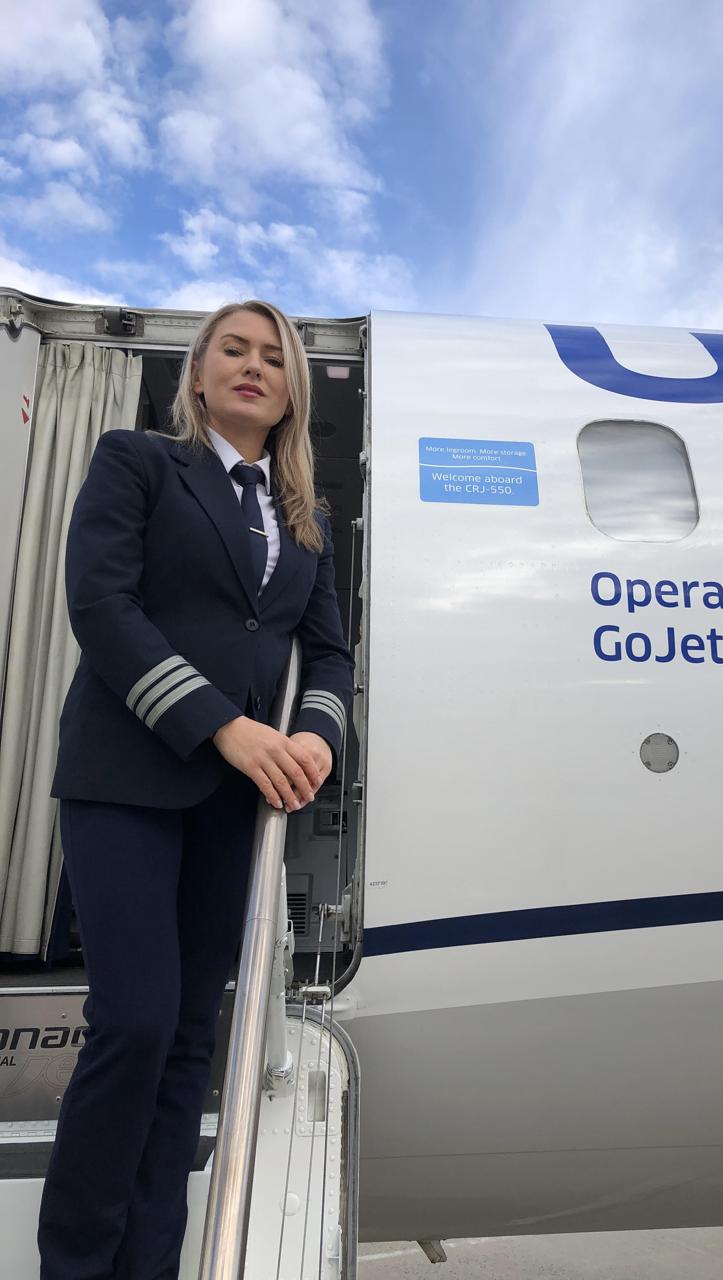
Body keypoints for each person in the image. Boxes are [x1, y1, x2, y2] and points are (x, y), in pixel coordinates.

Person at [37, 299, 354, 1280]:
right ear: (200, 373)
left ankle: (150, 1261)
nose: (254, 366)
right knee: (133, 1020)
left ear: (292, 389)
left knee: (186, 1038)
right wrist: (223, 722)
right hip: (127, 777)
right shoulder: (137, 462)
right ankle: (76, 1262)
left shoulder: (306, 521)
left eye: (273, 356)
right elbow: (103, 604)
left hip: (233, 803)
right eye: (233, 349)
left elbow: (330, 653)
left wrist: (315, 737)